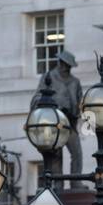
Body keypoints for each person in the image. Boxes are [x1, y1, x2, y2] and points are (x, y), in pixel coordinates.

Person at [36, 49, 84, 188]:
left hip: (70, 122)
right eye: (65, 64)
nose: (66, 68)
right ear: (60, 63)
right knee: (56, 155)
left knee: (77, 153)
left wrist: (78, 109)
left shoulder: (75, 82)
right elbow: (38, 97)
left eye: (69, 66)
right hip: (53, 122)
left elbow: (81, 101)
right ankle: (58, 184)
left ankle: (76, 182)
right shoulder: (48, 77)